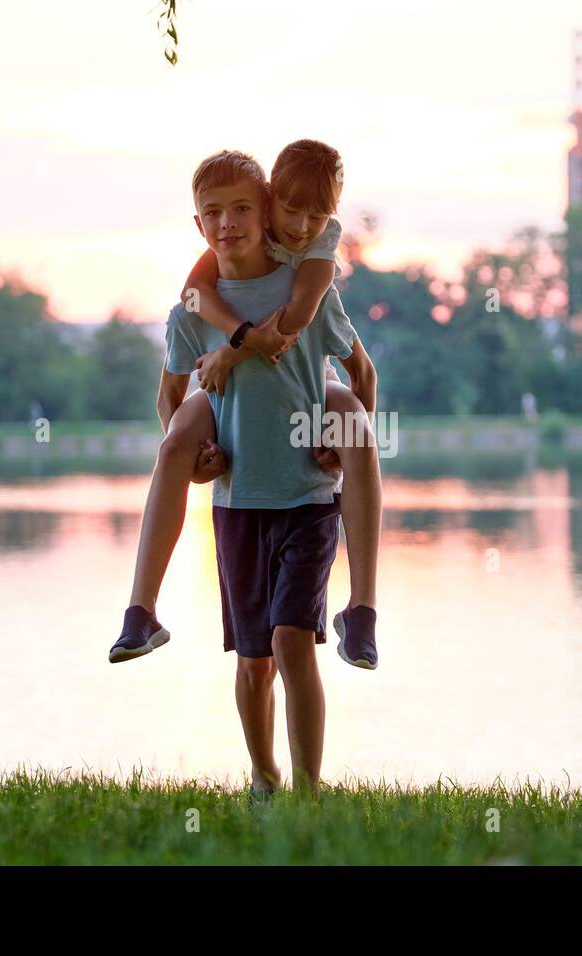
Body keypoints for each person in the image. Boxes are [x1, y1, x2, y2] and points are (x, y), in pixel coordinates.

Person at [110, 149, 377, 795]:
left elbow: (360, 373)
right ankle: (263, 778)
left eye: (239, 209)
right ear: (198, 225)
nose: (227, 223)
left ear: (262, 213)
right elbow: (169, 400)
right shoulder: (192, 309)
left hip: (308, 501)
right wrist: (200, 461)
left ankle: (310, 786)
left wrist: (338, 446)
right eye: (213, 214)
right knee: (253, 660)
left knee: (291, 642)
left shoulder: (303, 283)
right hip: (236, 504)